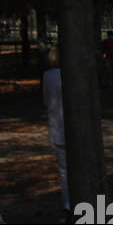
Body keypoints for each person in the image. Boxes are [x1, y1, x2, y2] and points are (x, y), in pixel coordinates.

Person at [41, 47, 68, 213]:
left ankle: (68, 204)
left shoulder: (47, 76)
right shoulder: (69, 73)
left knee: (64, 171)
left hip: (56, 128)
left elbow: (45, 101)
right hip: (69, 127)